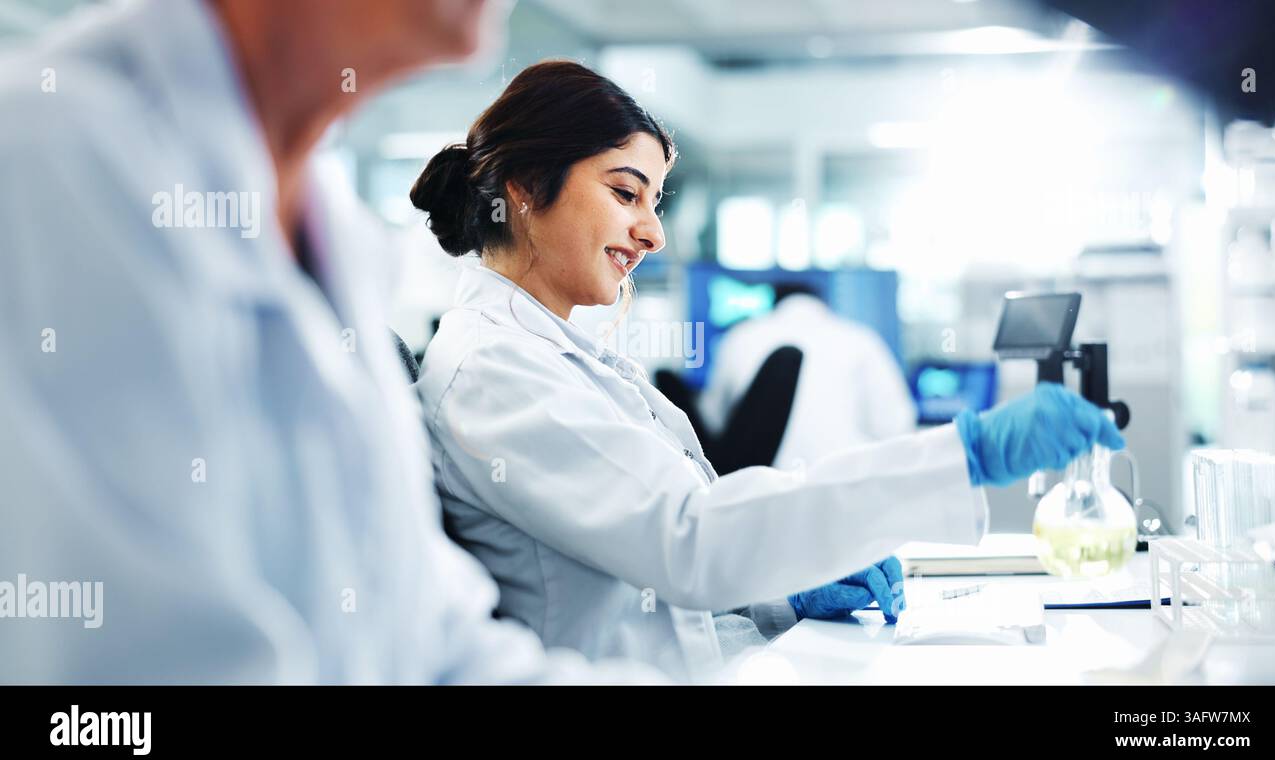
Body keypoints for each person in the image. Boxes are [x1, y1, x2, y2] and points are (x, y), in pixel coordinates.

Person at [0, 0, 657, 684]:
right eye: (626, 193)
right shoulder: (50, 168)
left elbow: (428, 644)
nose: (649, 232)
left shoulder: (323, 218)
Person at [412, 61, 1125, 679]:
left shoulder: (554, 352)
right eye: (627, 194)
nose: (653, 232)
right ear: (528, 187)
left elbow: (665, 566)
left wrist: (784, 593)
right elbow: (688, 536)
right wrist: (965, 453)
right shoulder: (491, 370)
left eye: (654, 203)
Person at [699, 282, 916, 471]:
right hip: (843, 485)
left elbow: (713, 420)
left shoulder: (740, 337)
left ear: (773, 304)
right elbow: (895, 425)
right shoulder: (861, 339)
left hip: (761, 492)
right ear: (822, 304)